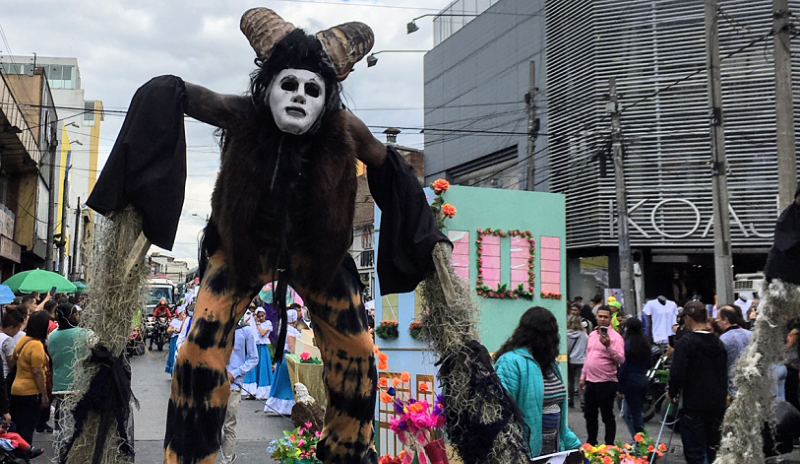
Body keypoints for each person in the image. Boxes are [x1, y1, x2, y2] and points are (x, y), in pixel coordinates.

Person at [494, 307, 581, 458]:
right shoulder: (510, 362)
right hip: (525, 454)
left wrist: (573, 444)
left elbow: (561, 420)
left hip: (553, 452)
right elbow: (502, 413)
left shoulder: (550, 364)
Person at [667, 301, 728, 464]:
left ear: (688, 318)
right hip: (716, 403)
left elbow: (677, 372)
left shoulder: (686, 343)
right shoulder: (718, 343)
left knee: (694, 450)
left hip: (693, 403)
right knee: (713, 447)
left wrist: (672, 392)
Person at [580, 305, 625, 446]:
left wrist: (608, 346)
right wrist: (583, 377)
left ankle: (609, 444)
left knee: (607, 415)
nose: (602, 319)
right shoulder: (592, 335)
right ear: (596, 317)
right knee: (589, 415)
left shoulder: (616, 337)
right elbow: (588, 357)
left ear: (610, 318)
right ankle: (591, 442)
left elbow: (621, 359)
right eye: (600, 316)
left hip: (607, 381)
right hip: (590, 381)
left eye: (605, 317)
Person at [48, 302, 92, 431]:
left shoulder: (52, 336)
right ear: (73, 316)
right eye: (77, 314)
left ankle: (62, 437)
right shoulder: (85, 334)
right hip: (80, 384)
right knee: (80, 420)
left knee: (64, 415)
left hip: (60, 385)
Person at [8, 311, 51, 445]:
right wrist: (44, 395)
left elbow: (12, 360)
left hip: (16, 389)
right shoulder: (37, 345)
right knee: (27, 427)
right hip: (30, 392)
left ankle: (16, 452)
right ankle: (25, 453)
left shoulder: (23, 339)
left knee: (18, 427)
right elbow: (37, 372)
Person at [220, 319, 258, 464]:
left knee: (229, 425)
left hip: (233, 386)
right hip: (214, 385)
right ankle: (223, 450)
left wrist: (235, 373)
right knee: (213, 425)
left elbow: (254, 358)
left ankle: (227, 459)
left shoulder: (245, 330)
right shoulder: (218, 327)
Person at [617, 318, 650, 441]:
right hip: (643, 379)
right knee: (634, 413)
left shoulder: (628, 345)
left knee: (633, 415)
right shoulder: (645, 344)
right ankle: (639, 440)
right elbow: (650, 363)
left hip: (630, 381)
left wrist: (620, 386)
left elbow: (624, 367)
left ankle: (640, 442)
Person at [265, 309, 301, 415]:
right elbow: (292, 347)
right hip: (288, 357)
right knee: (287, 383)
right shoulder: (291, 331)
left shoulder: (282, 328)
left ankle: (276, 406)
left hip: (282, 357)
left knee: (279, 382)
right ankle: (287, 407)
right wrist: (296, 358)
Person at [717, 305, 752, 398]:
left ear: (725, 320)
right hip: (752, 384)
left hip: (733, 388)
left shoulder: (723, 339)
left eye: (718, 318)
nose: (716, 321)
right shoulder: (750, 334)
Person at [566, 315, 587, 410]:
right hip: (582, 360)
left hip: (571, 360)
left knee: (571, 381)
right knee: (581, 381)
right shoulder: (584, 335)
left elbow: (566, 349)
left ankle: (571, 401)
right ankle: (583, 400)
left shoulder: (566, 335)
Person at [252, 308, 274, 399]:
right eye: (259, 316)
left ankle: (264, 391)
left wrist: (257, 323)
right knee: (255, 368)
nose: (261, 318)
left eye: (262, 315)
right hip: (255, 347)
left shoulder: (268, 323)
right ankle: (254, 390)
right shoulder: (254, 324)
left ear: (265, 315)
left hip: (263, 347)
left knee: (263, 367)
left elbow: (262, 333)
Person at [0, 311, 25, 378]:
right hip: (5, 377)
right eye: (18, 328)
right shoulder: (8, 340)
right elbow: (12, 364)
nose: (18, 331)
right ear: (11, 328)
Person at [165, 309, 185, 375]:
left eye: (184, 313)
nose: (183, 315)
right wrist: (173, 330)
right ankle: (173, 371)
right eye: (182, 313)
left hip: (183, 339)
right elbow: (168, 330)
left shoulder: (186, 321)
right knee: (173, 353)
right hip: (175, 339)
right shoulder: (174, 321)